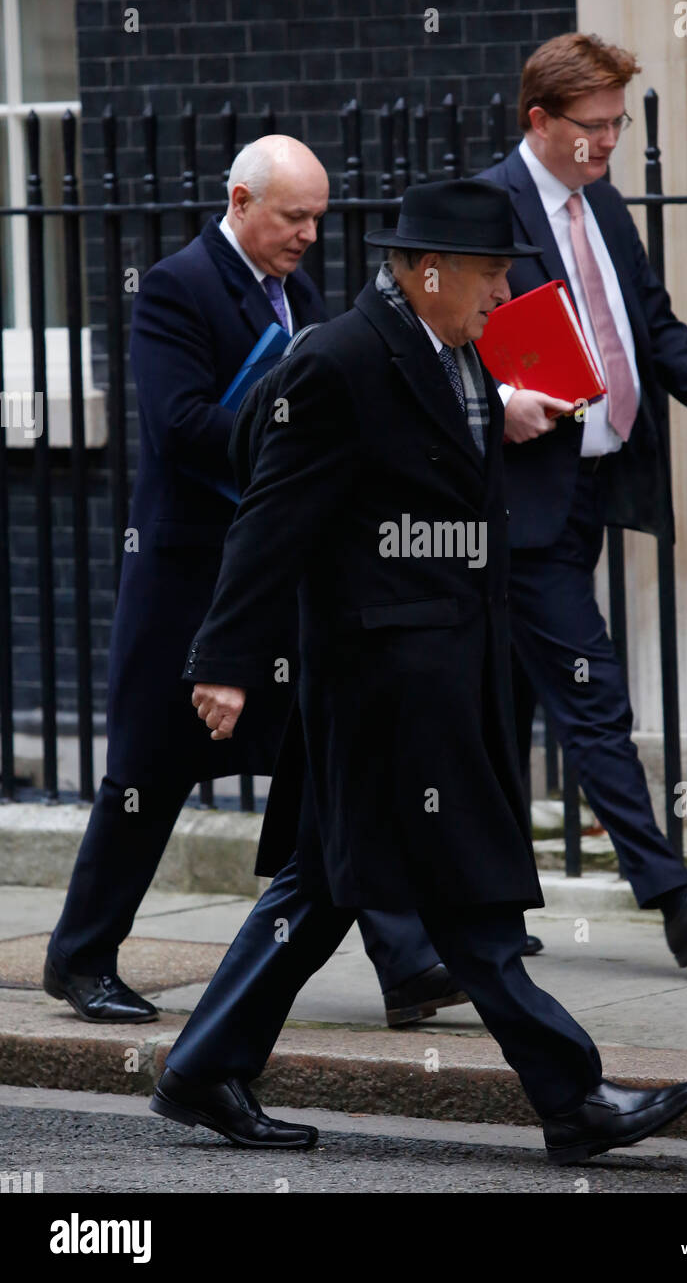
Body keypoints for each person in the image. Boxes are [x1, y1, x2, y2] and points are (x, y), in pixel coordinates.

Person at [148, 179, 687, 1166]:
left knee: (319, 885)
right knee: (469, 904)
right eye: (489, 274)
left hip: (441, 669)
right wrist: (225, 661)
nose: (501, 296)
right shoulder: (341, 360)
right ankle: (571, 1096)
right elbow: (269, 519)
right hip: (382, 682)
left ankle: (202, 1066)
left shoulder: (453, 355)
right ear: (428, 269)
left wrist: (508, 414)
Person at [44, 136, 462, 1030]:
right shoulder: (176, 287)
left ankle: (406, 957)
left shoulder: (301, 295)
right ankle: (80, 960)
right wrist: (293, 420)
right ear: (240, 201)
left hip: (280, 578)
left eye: (318, 217)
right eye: (294, 216)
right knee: (147, 777)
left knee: (334, 762)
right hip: (191, 582)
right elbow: (178, 425)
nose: (311, 234)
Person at [479, 34, 687, 967]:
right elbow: (422, 334)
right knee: (592, 695)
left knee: (507, 710)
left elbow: (651, 328)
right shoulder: (488, 205)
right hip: (518, 508)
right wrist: (499, 400)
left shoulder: (600, 205)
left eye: (617, 124)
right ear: (540, 121)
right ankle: (676, 899)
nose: (608, 142)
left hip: (589, 493)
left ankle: (478, 918)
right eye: (592, 127)